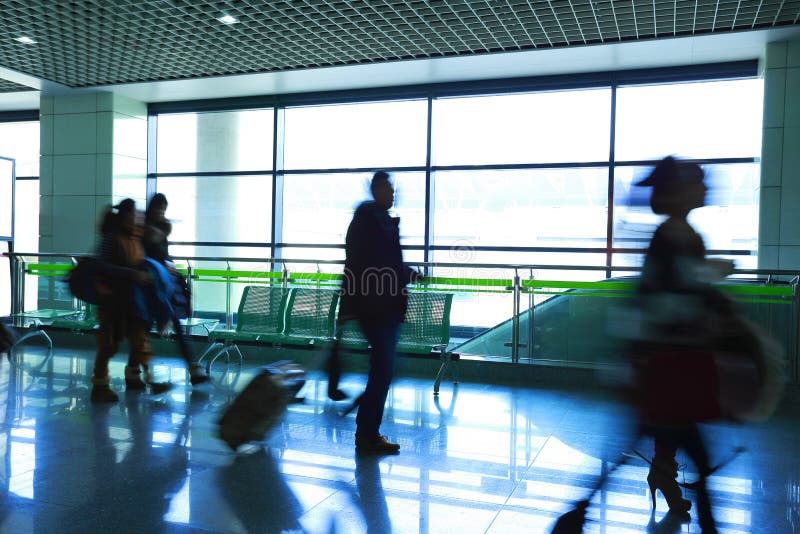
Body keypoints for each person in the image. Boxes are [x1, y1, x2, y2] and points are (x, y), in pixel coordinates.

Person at [339, 171, 421, 455]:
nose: (393, 193)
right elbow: (359, 264)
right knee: (384, 368)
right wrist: (349, 306)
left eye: (393, 188)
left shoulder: (381, 222)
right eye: (388, 189)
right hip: (374, 307)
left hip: (384, 306)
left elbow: (385, 263)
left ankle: (367, 428)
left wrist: (407, 274)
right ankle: (367, 433)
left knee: (384, 369)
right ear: (375, 191)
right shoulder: (368, 223)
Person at [91, 199, 172, 402]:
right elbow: (101, 266)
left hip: (133, 300)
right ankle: (100, 385)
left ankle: (137, 378)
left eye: (136, 217)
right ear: (123, 218)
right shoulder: (112, 238)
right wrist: (131, 274)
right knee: (109, 343)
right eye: (131, 217)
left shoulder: (135, 238)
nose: (135, 220)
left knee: (140, 340)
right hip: (113, 300)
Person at [143, 193, 209, 385]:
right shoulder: (145, 231)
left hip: (161, 282)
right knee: (143, 330)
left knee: (165, 326)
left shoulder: (159, 229)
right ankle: (143, 372)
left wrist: (167, 263)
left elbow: (163, 254)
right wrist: (162, 264)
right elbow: (148, 255)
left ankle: (192, 368)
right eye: (159, 209)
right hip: (151, 284)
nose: (161, 213)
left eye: (163, 209)